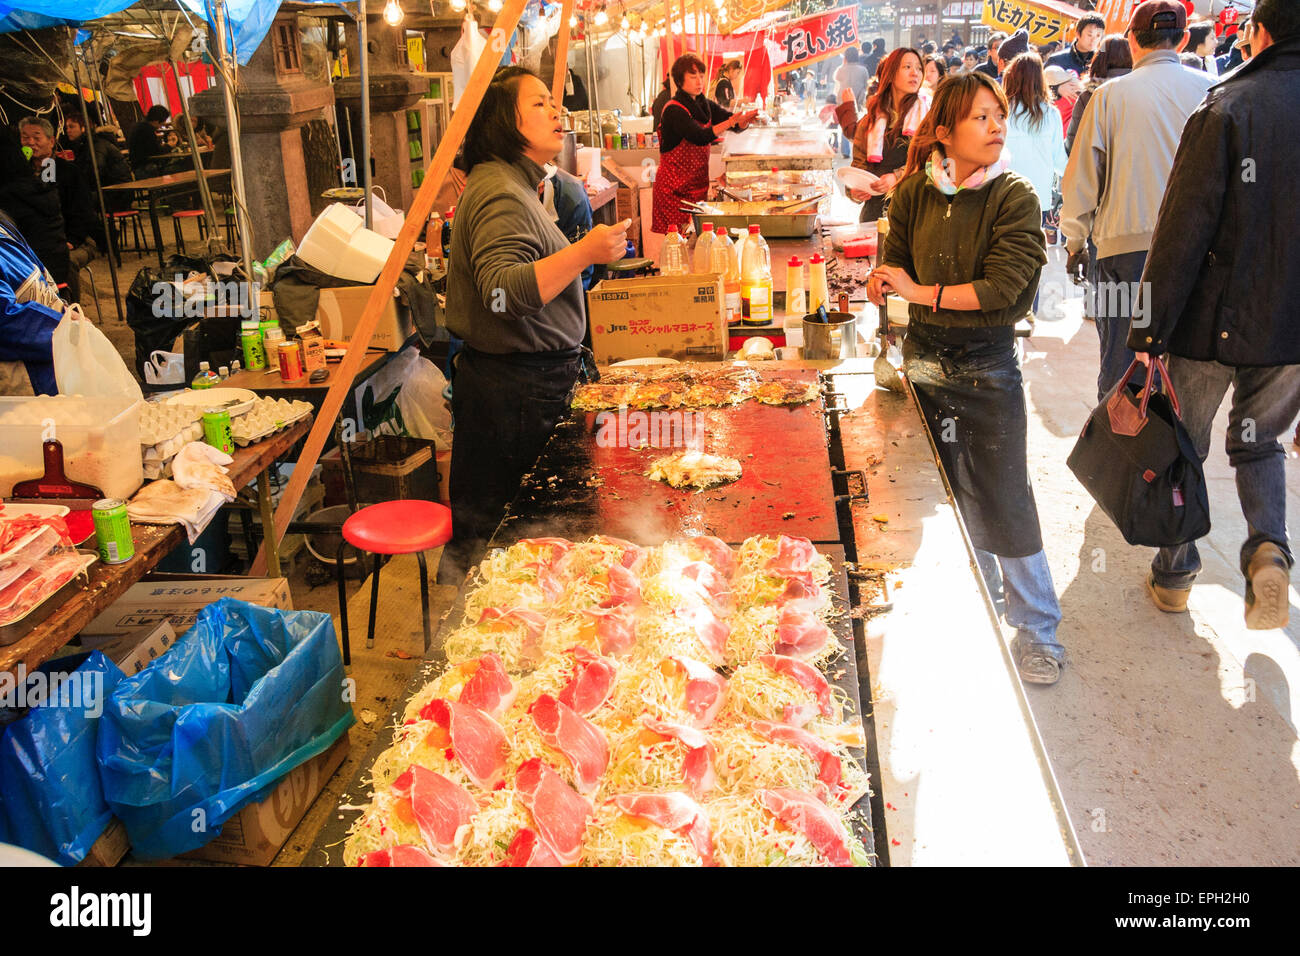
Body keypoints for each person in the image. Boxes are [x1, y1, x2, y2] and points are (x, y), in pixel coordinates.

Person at [866, 72, 1064, 684]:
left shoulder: (1014, 196)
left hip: (986, 367)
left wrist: (918, 291)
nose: (997, 126)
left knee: (1003, 495)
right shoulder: (914, 194)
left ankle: (1037, 630)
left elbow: (1004, 290)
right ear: (945, 132)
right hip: (922, 362)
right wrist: (883, 280)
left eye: (999, 115)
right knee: (944, 500)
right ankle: (973, 619)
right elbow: (892, 258)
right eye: (982, 117)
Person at [1131, 0, 1300, 630]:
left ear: (1259, 32)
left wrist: (1147, 328)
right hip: (1288, 333)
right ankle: (1267, 550)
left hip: (1211, 324)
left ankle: (1175, 574)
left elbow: (1181, 230)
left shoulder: (1229, 106)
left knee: (1182, 445)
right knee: (1261, 445)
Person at [437, 66, 631, 584]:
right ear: (505, 120)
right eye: (540, 103)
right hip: (517, 397)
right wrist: (584, 250)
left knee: (526, 546)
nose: (556, 111)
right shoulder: (500, 192)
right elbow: (502, 295)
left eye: (554, 101)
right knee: (526, 548)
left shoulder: (513, 183)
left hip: (522, 389)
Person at [1061, 0, 1213, 402]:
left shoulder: (1109, 97)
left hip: (1123, 253)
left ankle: (1124, 456)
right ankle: (1177, 458)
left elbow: (1081, 183)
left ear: (1131, 40)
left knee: (1122, 367)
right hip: (1199, 255)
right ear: (1181, 40)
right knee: (1185, 366)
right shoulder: (1212, 92)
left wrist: (1075, 241)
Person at [650, 54, 757, 239]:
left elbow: (728, 122)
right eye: (693, 77)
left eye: (701, 75)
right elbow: (699, 136)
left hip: (697, 187)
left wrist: (742, 122)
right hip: (674, 190)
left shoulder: (704, 104)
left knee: (698, 240)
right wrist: (732, 121)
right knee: (677, 243)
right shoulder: (674, 109)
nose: (699, 81)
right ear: (679, 80)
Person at [835, 47, 928, 224]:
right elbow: (859, 167)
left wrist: (897, 177)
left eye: (919, 68)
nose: (915, 73)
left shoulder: (928, 117)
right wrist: (855, 191)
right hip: (875, 216)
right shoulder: (870, 121)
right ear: (891, 74)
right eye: (907, 67)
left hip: (915, 215)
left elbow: (934, 162)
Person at [1002, 52, 1067, 302]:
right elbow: (1060, 160)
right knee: (1032, 253)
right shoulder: (1050, 114)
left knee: (1004, 248)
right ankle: (1030, 305)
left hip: (1004, 192)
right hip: (1037, 195)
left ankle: (1005, 303)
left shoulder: (1002, 112)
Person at [17, 117, 99, 303]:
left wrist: (72, 239)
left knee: (64, 261)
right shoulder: (20, 174)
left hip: (78, 239)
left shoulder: (65, 171)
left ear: (51, 141)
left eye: (36, 138)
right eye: (25, 138)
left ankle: (69, 311)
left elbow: (84, 212)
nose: (31, 143)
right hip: (38, 241)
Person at [1065, 34, 1132, 153]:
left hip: (1092, 165)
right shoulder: (1143, 91)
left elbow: (1073, 139)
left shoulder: (1088, 95)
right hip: (1128, 165)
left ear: (1099, 58)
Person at [127, 104, 169, 177]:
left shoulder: (141, 126)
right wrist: (169, 146)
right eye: (164, 121)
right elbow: (155, 151)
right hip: (145, 167)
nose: (164, 123)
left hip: (137, 166)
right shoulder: (146, 130)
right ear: (157, 120)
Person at [1043, 64, 1082, 134]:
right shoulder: (1075, 84)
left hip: (1062, 133)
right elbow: (1072, 72)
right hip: (1078, 128)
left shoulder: (1048, 100)